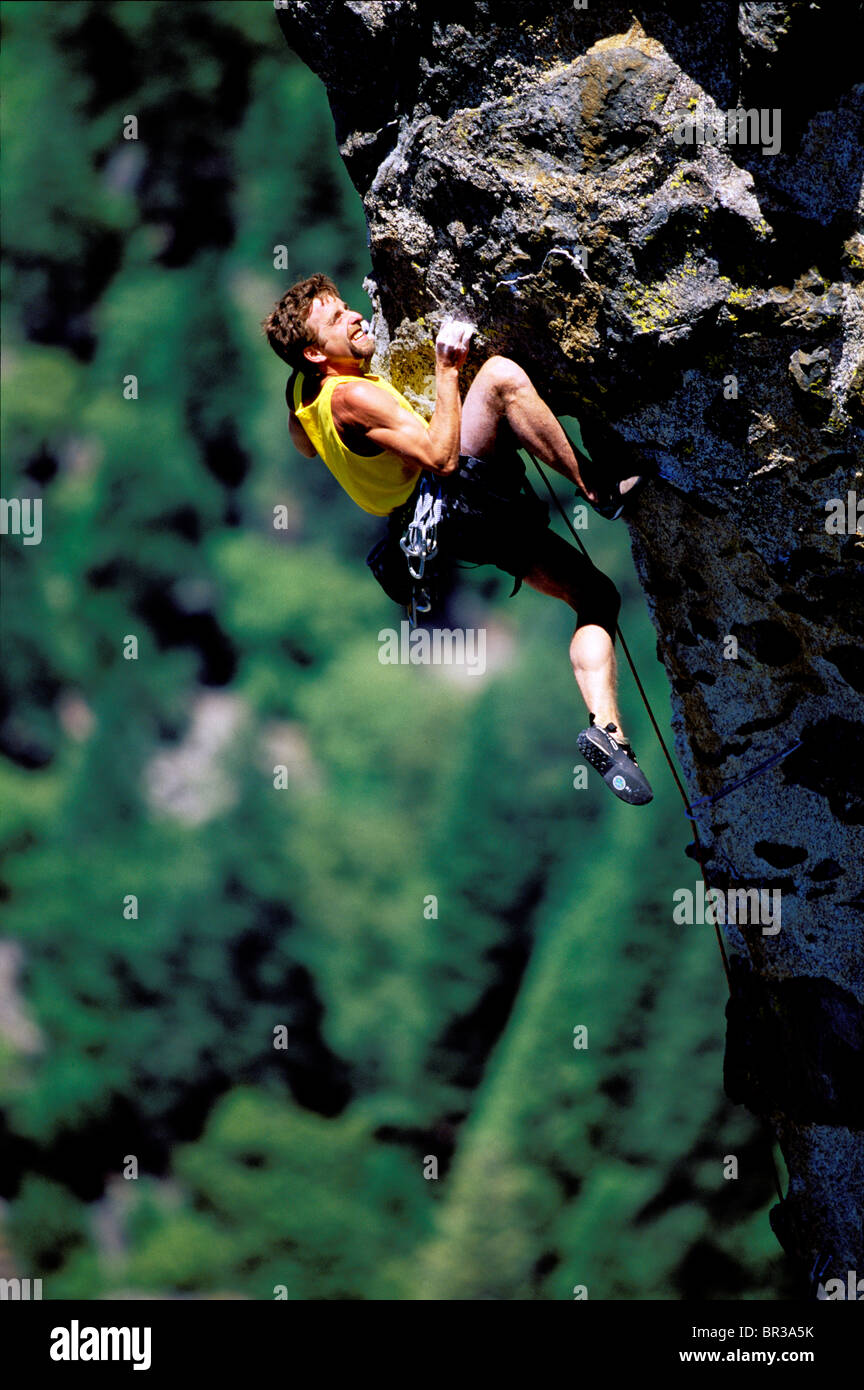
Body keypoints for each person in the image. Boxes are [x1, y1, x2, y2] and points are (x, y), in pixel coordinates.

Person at [261, 273, 652, 804]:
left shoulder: (304, 401)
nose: (354, 317)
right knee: (498, 378)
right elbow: (442, 458)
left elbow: (304, 442)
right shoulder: (351, 398)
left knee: (596, 596)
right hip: (459, 499)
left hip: (442, 530)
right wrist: (446, 371)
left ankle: (608, 731)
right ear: (313, 352)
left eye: (347, 307)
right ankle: (599, 490)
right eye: (336, 320)